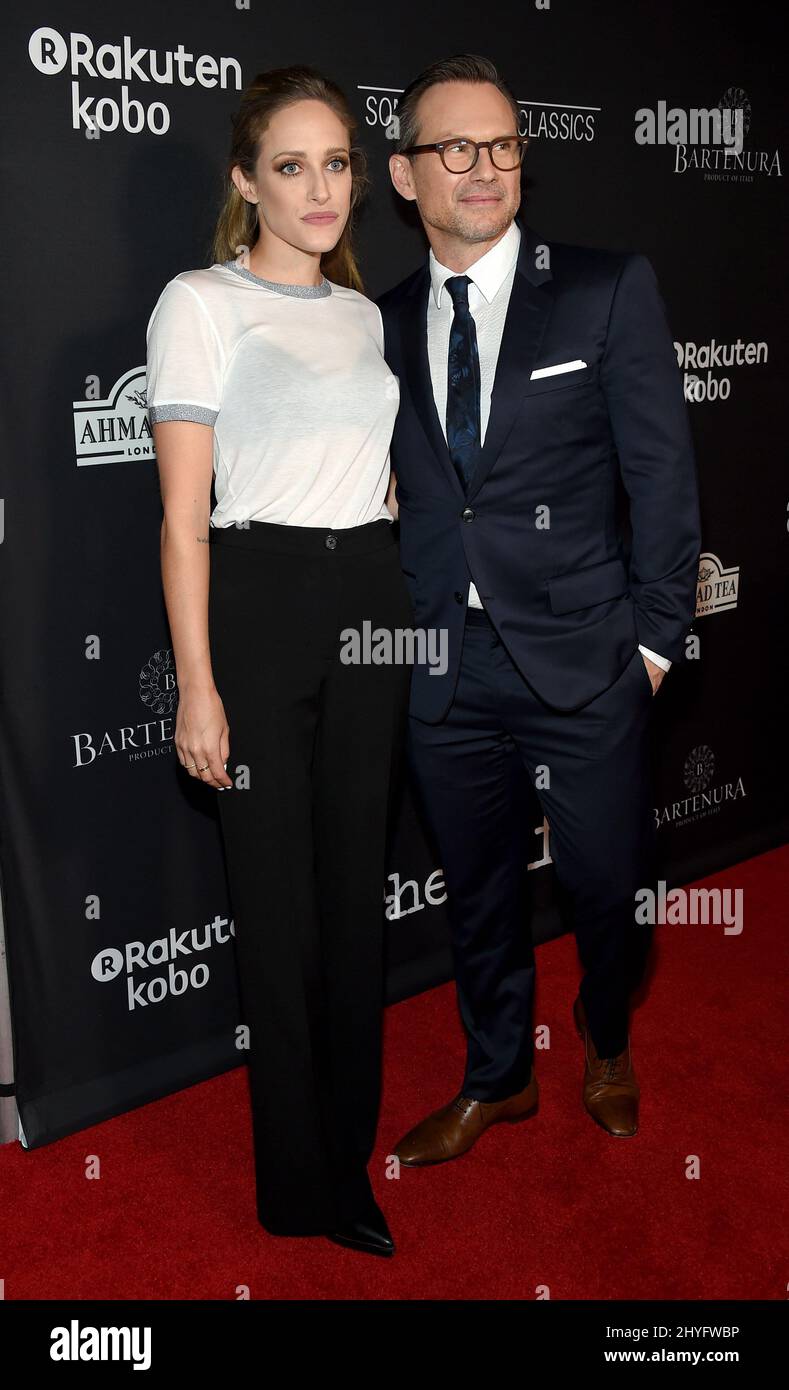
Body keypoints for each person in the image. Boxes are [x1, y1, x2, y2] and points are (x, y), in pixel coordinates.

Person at [376, 53, 702, 1161]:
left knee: (609, 888)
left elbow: (662, 476)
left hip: (585, 658)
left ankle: (606, 1038)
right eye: (454, 148)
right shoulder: (379, 320)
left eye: (504, 145)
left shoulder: (605, 287)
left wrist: (655, 643)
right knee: (476, 894)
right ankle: (498, 1074)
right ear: (405, 175)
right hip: (443, 661)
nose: (484, 168)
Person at [145, 65, 413, 1255]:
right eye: (292, 165)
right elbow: (180, 517)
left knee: (356, 895)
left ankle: (346, 1157)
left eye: (339, 162)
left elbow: (376, 471)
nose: (321, 187)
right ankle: (292, 1181)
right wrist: (198, 683)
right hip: (257, 603)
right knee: (278, 904)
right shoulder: (200, 302)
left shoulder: (364, 313)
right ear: (246, 181)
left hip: (373, 591)